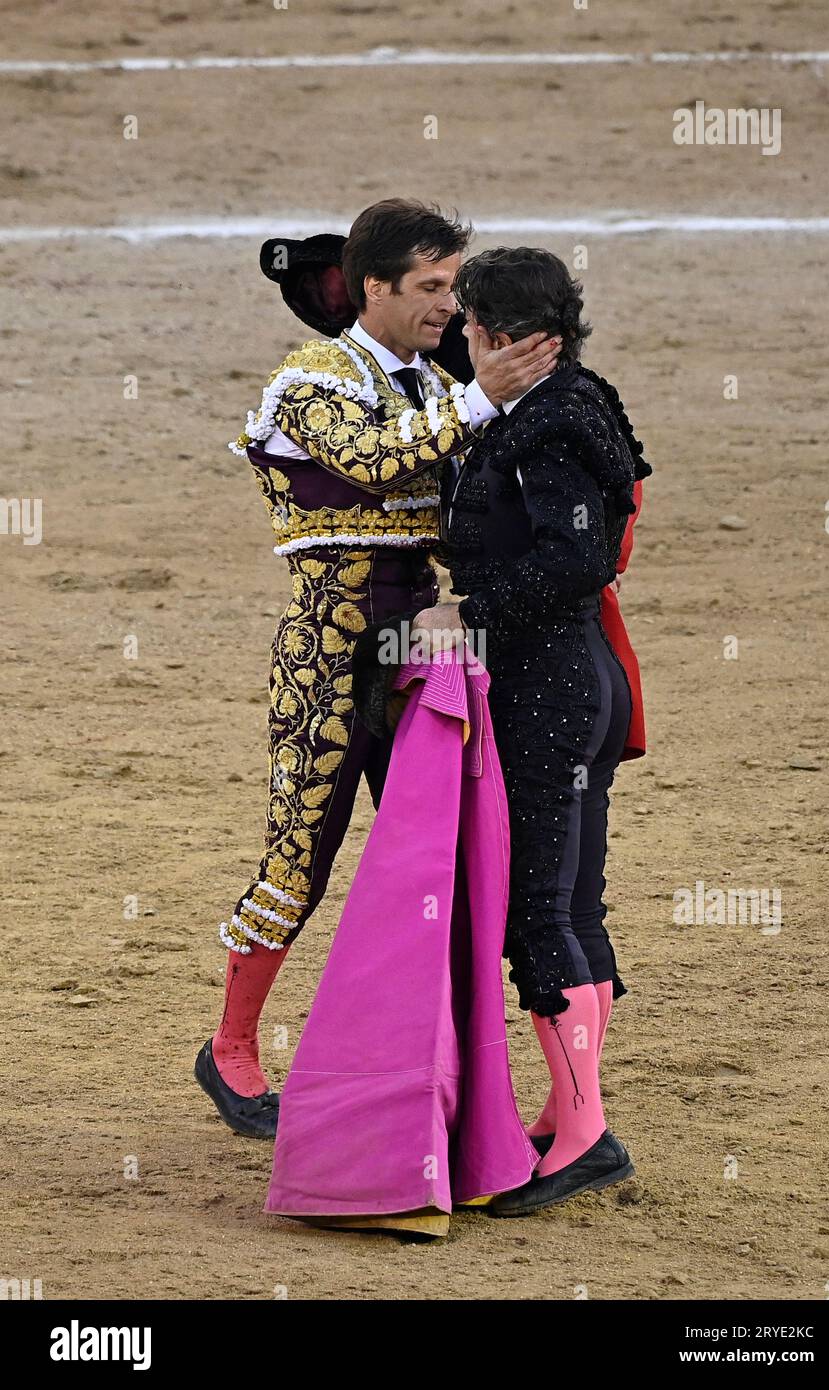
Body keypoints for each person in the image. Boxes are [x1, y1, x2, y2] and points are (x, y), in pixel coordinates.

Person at [195, 201, 560, 1138]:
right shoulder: (309, 380)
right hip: (327, 649)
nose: (450, 304)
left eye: (455, 285)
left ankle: (430, 1066)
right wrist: (479, 399)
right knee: (299, 857)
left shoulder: (435, 382)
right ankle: (231, 1048)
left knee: (436, 856)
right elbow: (373, 460)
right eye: (432, 287)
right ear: (375, 289)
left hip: (424, 644)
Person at [414, 246, 652, 1214]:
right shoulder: (575, 398)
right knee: (569, 905)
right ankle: (571, 1104)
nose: (458, 337)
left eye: (467, 322)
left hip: (547, 689)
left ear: (501, 335)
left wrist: (469, 614)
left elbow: (578, 556)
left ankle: (586, 1126)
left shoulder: (548, 424)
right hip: (578, 678)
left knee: (537, 913)